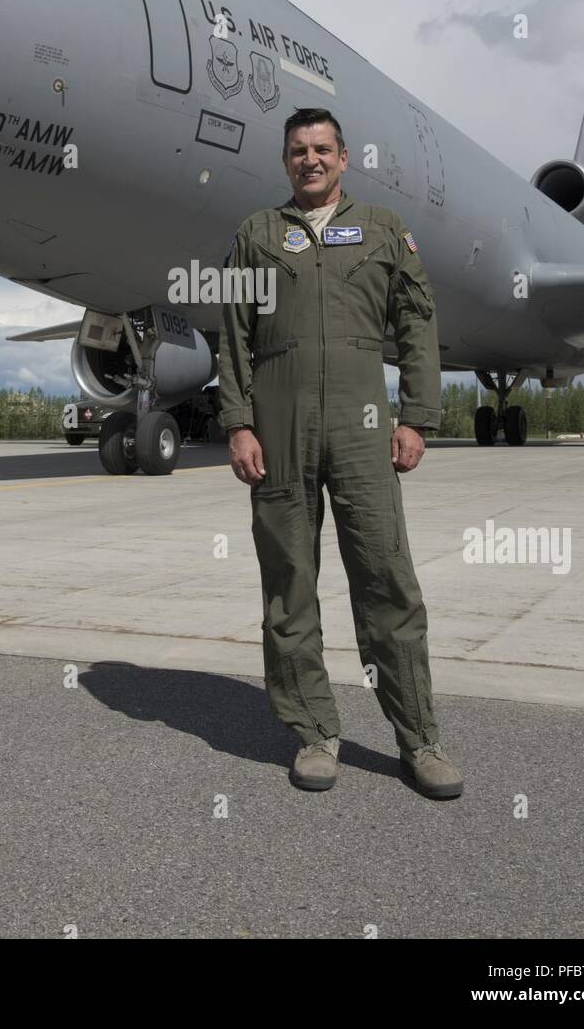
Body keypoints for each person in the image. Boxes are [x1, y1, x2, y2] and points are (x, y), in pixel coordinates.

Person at [218, 107, 463, 799]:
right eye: (298, 150)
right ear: (285, 161)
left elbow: (417, 324)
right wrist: (237, 422)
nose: (309, 160)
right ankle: (314, 733)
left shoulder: (383, 230)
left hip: (360, 429)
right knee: (288, 585)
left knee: (387, 581)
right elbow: (233, 336)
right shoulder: (256, 235)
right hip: (278, 427)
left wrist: (417, 416)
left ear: (344, 158)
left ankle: (418, 739)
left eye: (321, 149)